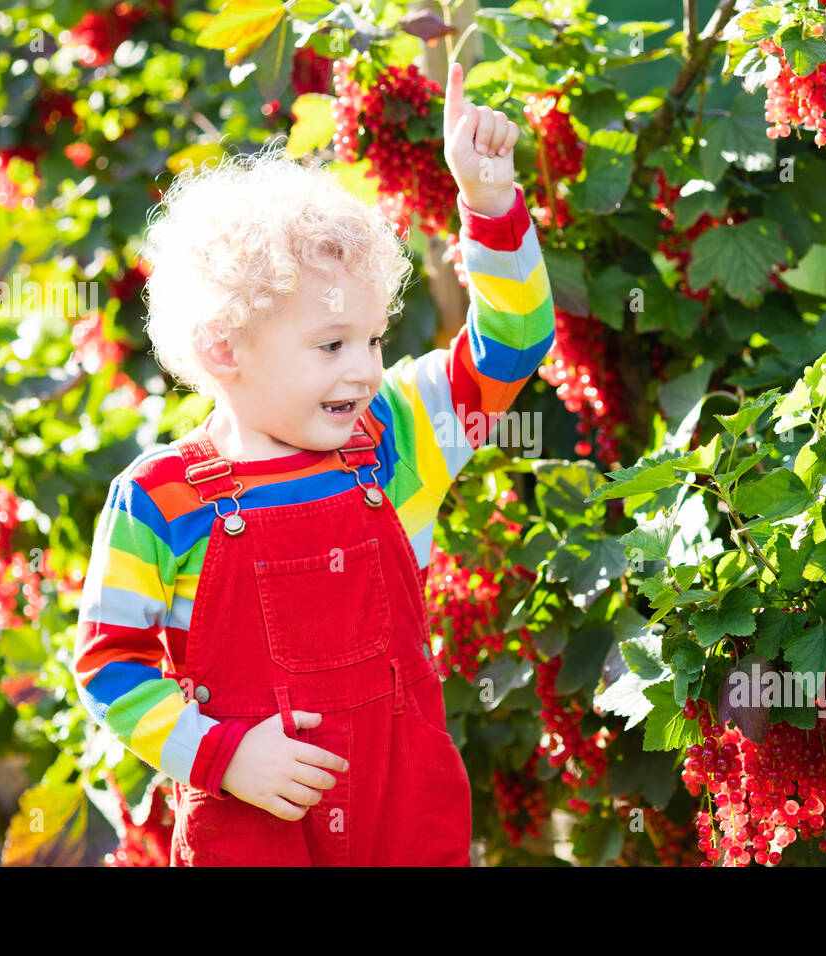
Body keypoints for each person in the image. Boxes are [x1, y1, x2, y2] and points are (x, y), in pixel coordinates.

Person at [73, 61, 556, 865]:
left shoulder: (396, 437)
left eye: (372, 338)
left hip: (404, 813)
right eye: (331, 344)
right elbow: (108, 665)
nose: (364, 368)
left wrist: (492, 204)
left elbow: (511, 346)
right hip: (255, 821)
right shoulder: (158, 498)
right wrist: (221, 756)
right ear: (222, 348)